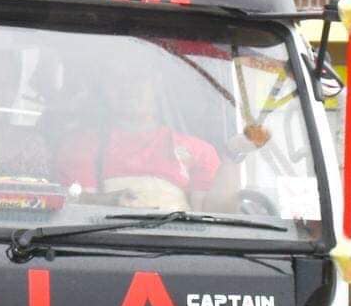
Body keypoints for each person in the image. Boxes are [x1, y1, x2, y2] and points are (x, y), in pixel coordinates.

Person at [56, 75, 229, 212]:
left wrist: (233, 156)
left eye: (137, 78)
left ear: (156, 84)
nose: (127, 88)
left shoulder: (199, 151)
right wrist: (107, 201)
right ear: (104, 89)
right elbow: (76, 206)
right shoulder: (81, 147)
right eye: (117, 78)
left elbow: (210, 219)